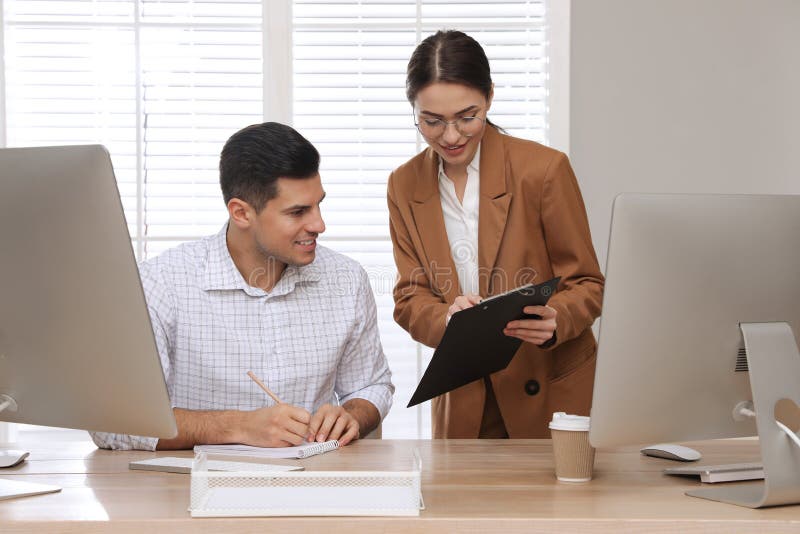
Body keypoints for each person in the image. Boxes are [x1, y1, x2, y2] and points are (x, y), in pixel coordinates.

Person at [91, 122, 394, 451]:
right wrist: (238, 426)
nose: (319, 224)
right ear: (241, 213)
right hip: (190, 491)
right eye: (298, 212)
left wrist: (351, 414)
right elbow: (113, 424)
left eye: (319, 204)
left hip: (314, 486)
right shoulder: (161, 284)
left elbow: (372, 386)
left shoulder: (347, 280)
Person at [387, 30, 604, 439]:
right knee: (464, 501)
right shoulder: (403, 184)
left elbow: (588, 283)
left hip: (548, 384)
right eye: (431, 121)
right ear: (414, 109)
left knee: (562, 503)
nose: (450, 137)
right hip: (465, 391)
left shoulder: (543, 170)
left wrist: (558, 318)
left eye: (467, 117)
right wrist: (445, 318)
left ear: (489, 97)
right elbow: (409, 297)